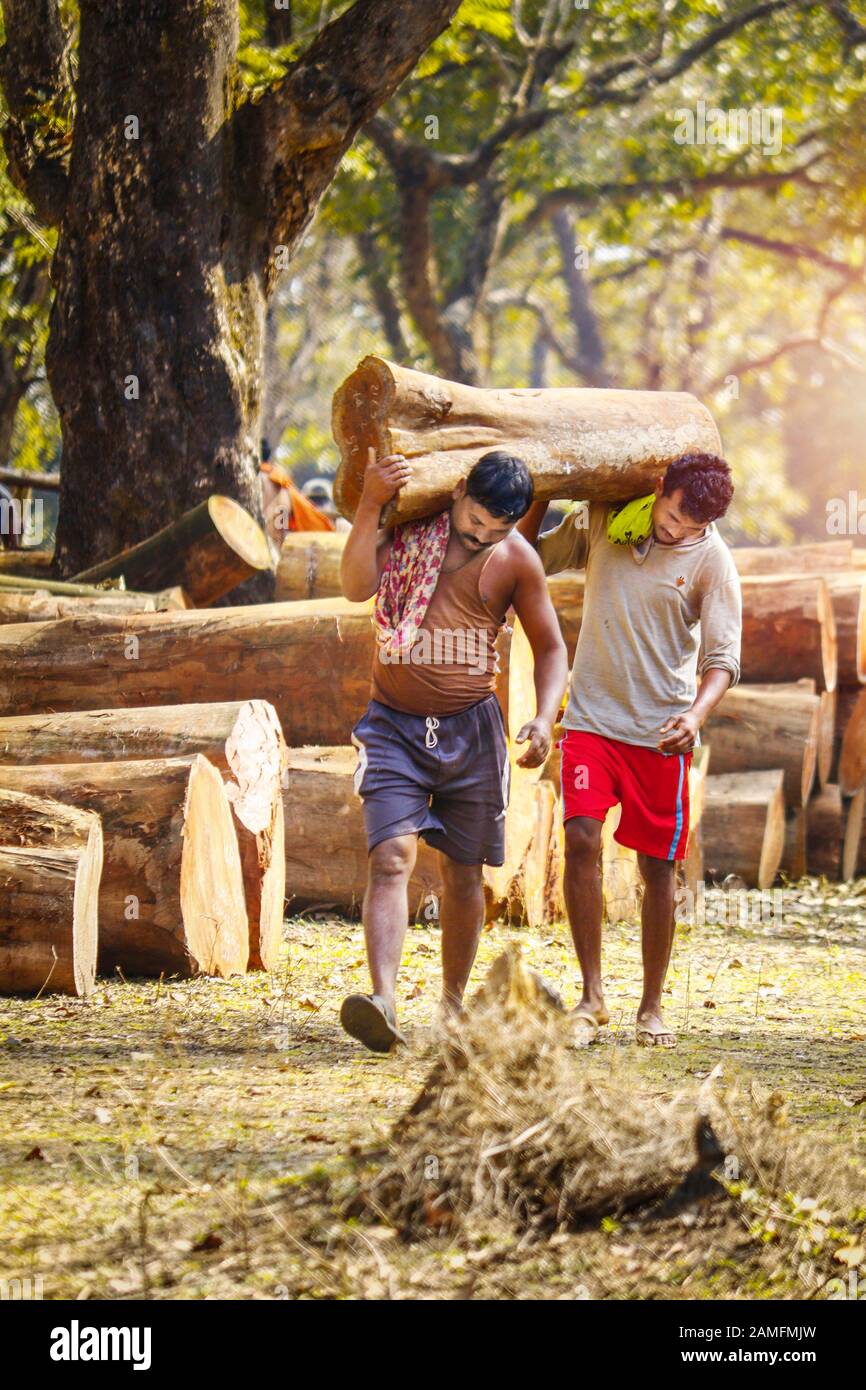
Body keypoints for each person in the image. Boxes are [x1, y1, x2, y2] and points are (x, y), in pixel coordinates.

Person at [339, 448, 568, 1052]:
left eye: (497, 527)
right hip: (393, 725)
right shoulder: (411, 530)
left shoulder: (517, 561)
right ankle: (383, 1002)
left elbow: (550, 648)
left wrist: (544, 717)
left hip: (472, 731)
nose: (480, 532)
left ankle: (451, 1006)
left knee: (464, 874)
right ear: (459, 489)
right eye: (475, 518)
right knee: (390, 857)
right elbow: (354, 586)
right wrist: (368, 503)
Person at [518, 453, 742, 1048]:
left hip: (660, 730)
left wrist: (695, 715)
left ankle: (651, 1005)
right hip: (592, 718)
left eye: (688, 528)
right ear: (659, 488)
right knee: (582, 837)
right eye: (669, 517)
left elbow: (722, 659)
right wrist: (546, 486)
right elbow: (532, 558)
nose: (673, 532)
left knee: (657, 867)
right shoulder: (605, 518)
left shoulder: (713, 562)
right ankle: (592, 996)